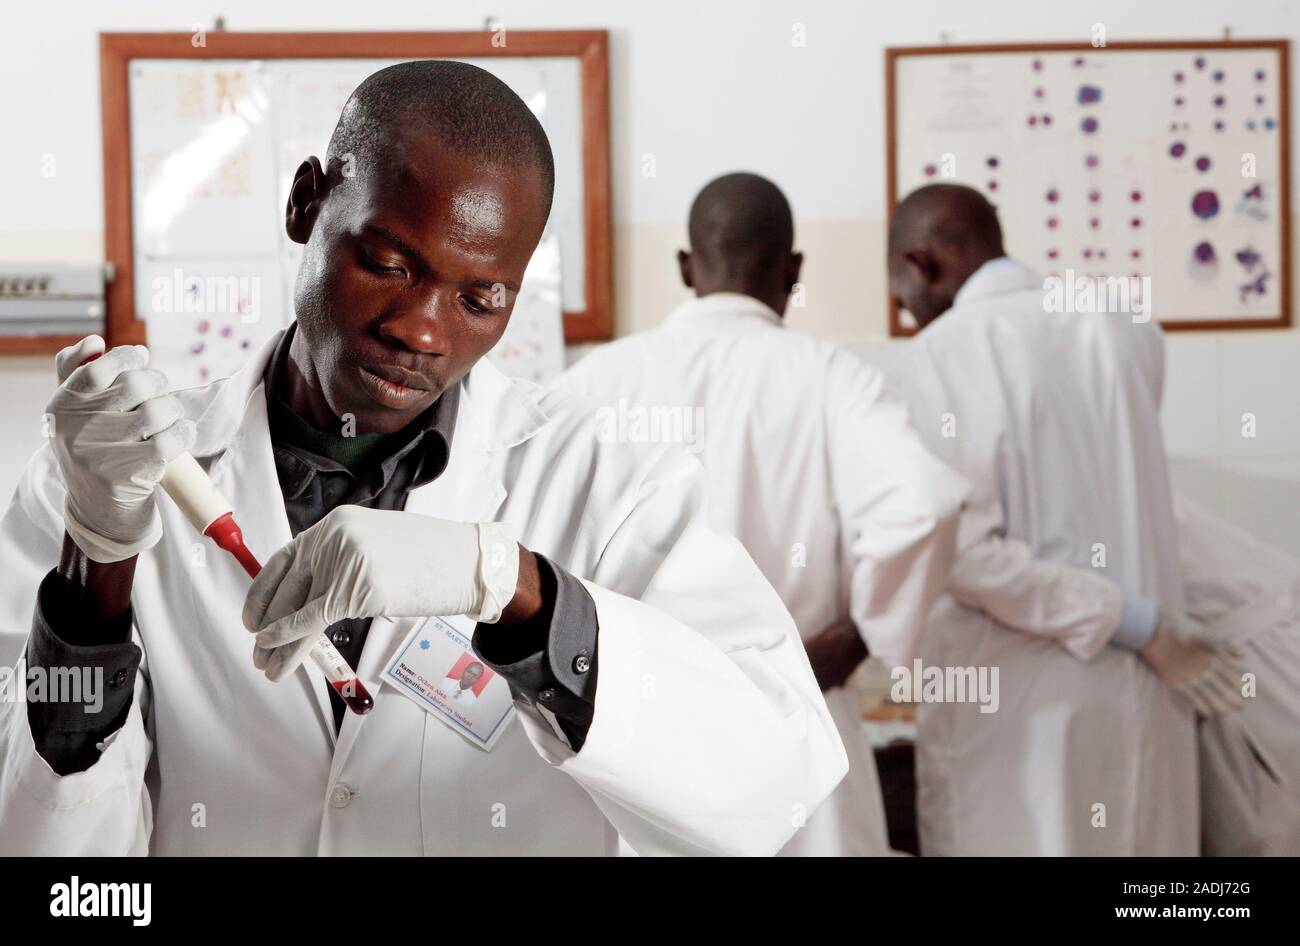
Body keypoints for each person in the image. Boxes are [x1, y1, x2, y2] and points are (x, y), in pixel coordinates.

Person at [0, 62, 848, 857]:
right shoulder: (109, 473)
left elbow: (773, 783)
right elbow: (49, 852)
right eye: (387, 263)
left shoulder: (610, 484)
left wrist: (517, 590)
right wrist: (97, 563)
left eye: (481, 298)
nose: (423, 330)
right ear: (305, 204)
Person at [554, 172, 969, 856]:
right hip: (799, 720)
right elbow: (924, 503)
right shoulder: (835, 378)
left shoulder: (598, 382)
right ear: (794, 269)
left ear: (687, 267)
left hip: (645, 730)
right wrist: (862, 636)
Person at [888, 183, 1242, 855]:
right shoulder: (1121, 324)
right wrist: (1146, 624)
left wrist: (1132, 621)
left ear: (922, 264)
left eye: (902, 299)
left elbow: (965, 557)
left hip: (1027, 709)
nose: (908, 316)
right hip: (1150, 693)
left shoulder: (940, 354)